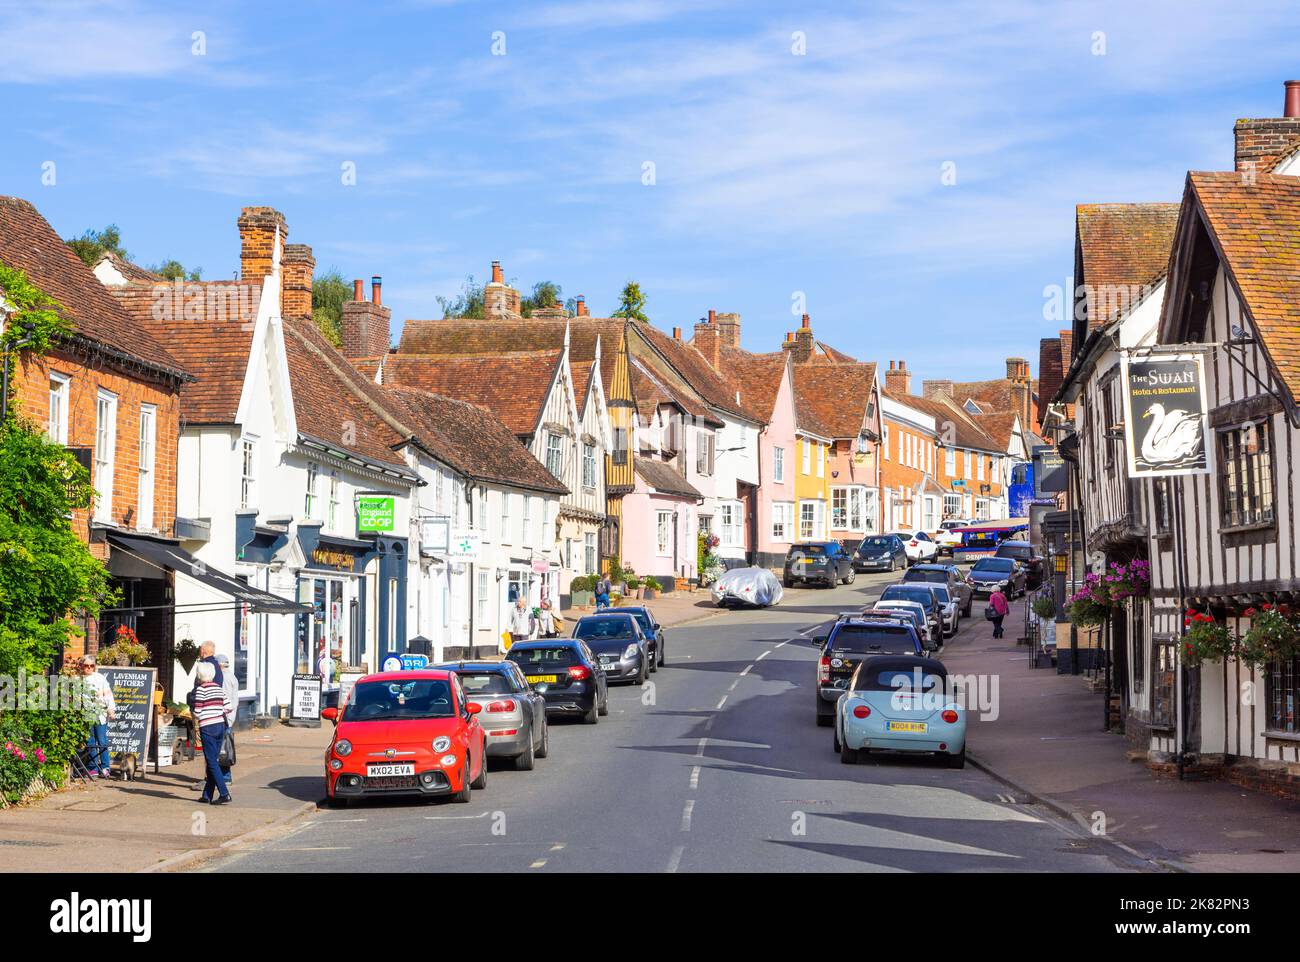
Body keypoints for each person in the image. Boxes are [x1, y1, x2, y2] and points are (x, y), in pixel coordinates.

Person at [192, 661, 232, 805]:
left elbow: (197, 712)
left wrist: (202, 714)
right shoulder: (218, 689)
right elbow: (229, 707)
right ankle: (207, 795)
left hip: (207, 728)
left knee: (211, 762)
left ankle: (224, 793)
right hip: (220, 726)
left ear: (199, 675)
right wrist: (217, 711)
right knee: (212, 761)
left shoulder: (201, 690)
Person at [79, 655, 116, 778]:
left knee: (102, 741)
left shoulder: (100, 678)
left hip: (100, 714)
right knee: (90, 742)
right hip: (86, 715)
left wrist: (111, 709)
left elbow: (108, 695)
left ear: (95, 667)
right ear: (81, 666)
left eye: (91, 666)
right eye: (86, 665)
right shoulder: (78, 680)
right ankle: (93, 768)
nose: (89, 668)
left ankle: (105, 767)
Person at [215, 653, 238, 786]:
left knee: (222, 749)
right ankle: (225, 776)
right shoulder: (233, 677)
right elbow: (234, 700)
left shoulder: (221, 678)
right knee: (226, 748)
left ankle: (224, 777)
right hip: (230, 717)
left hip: (223, 717)